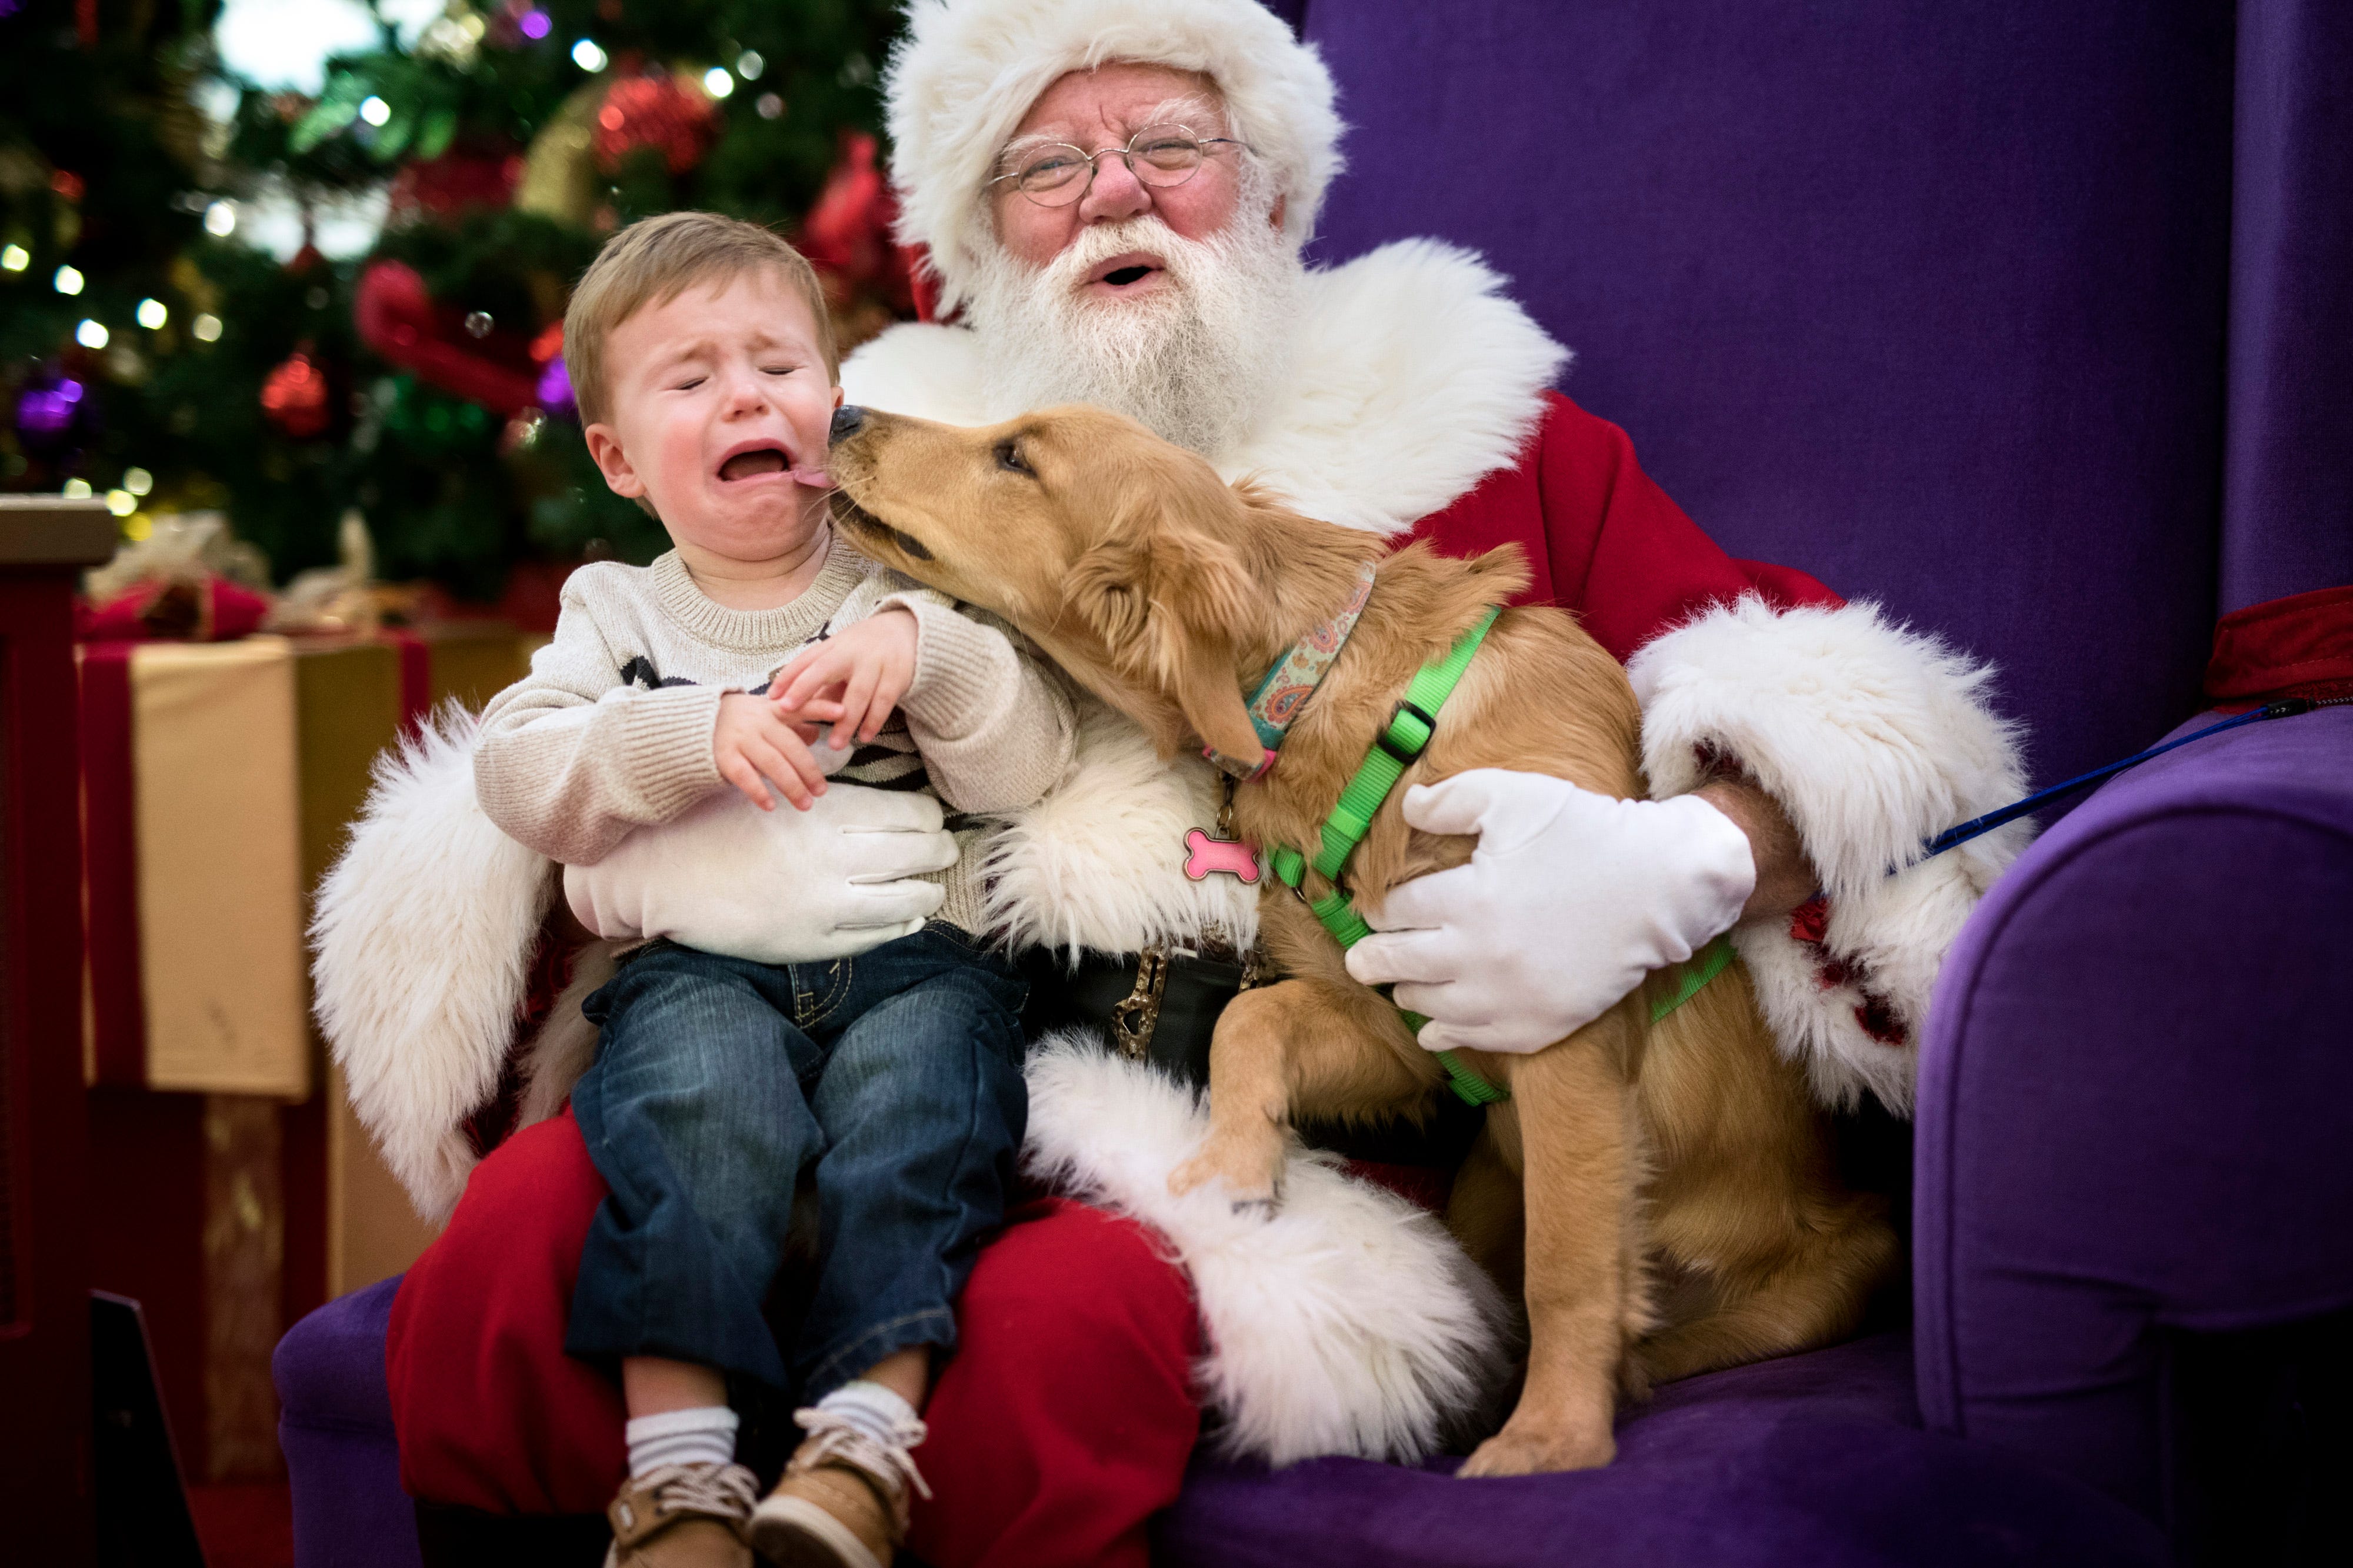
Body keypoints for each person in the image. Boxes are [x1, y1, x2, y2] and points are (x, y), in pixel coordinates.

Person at [316, 4, 2031, 1566]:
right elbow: (622, 687)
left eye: (1169, 143)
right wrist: (646, 864)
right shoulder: (866, 452)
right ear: (974, 236)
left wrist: (1694, 857)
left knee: (1043, 1349)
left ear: (1268, 189)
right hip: (856, 1051)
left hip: (1284, 1142)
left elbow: (1814, 694)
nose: (1115, 192)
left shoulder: (1482, 426)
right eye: (1046, 165)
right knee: (517, 1248)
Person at [468, 209, 1075, 1567]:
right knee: (697, 1113)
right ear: (619, 459)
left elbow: (1026, 765)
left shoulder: (902, 572)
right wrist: (686, 733)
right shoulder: (615, 611)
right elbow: (517, 771)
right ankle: (679, 1475)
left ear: (832, 399)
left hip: (913, 958)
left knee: (923, 1114)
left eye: (778, 366)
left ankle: (860, 1444)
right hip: (699, 969)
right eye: (691, 378)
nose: (745, 395)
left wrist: (925, 653)